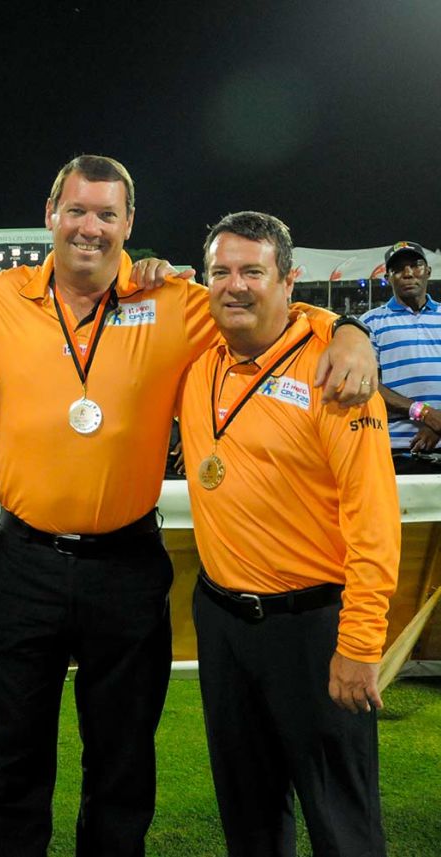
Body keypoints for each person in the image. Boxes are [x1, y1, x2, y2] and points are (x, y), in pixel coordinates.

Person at [0, 155, 377, 856]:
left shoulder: (175, 302)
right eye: (77, 210)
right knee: (12, 758)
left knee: (122, 761)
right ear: (50, 215)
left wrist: (346, 331)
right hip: (26, 561)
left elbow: (264, 304)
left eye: (106, 214)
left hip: (126, 565)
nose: (89, 228)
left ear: (128, 225)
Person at [180, 211, 398, 856]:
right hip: (221, 618)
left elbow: (373, 517)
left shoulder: (337, 376)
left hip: (312, 625)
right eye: (221, 272)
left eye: (253, 271)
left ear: (288, 280)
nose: (235, 285)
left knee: (342, 821)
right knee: (248, 815)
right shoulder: (198, 358)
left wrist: (359, 642)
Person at [360, 240, 441, 467]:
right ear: (388, 277)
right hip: (398, 449)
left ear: (428, 271)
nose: (408, 273)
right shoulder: (370, 322)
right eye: (398, 268)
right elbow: (366, 384)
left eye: (415, 265)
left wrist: (438, 423)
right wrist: (424, 413)